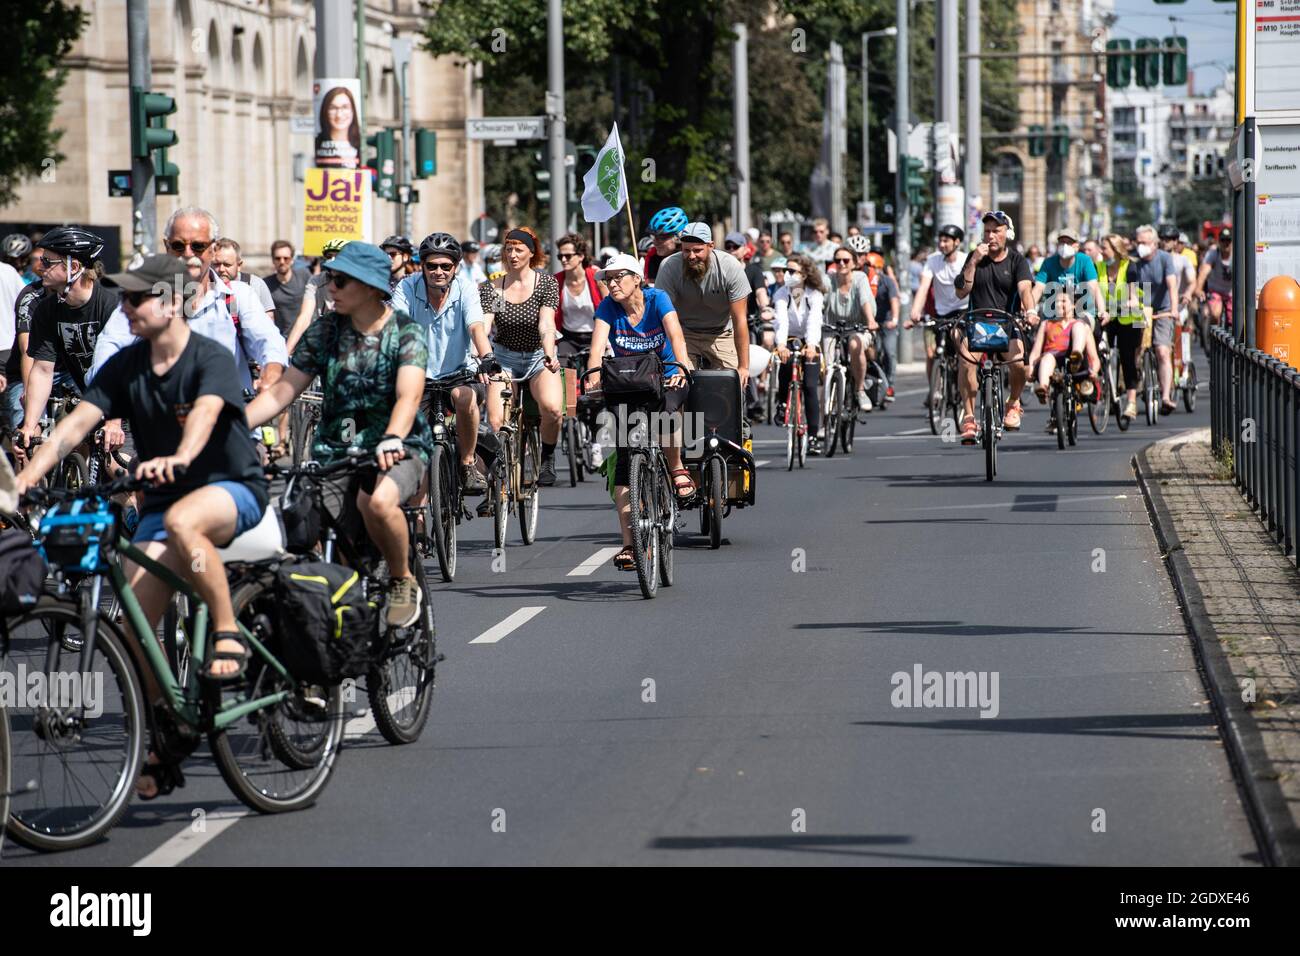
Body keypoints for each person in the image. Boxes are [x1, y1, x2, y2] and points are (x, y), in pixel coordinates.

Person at [18, 253, 269, 687]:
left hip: (229, 487)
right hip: (166, 501)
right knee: (133, 631)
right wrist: (27, 476)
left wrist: (182, 458)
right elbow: (75, 426)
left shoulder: (210, 358)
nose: (126, 307)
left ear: (172, 302)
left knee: (182, 521)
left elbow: (205, 416)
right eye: (126, 298)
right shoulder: (126, 365)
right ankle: (164, 730)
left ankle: (227, 630)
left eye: (138, 298)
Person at [247, 242, 432, 629]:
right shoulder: (326, 331)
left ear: (369, 286)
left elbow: (409, 395)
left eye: (341, 279)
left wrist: (393, 437)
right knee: (309, 532)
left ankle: (402, 578)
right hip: (335, 449)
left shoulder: (404, 331)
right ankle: (341, 641)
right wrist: (230, 427)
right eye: (330, 277)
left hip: (398, 448)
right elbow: (283, 391)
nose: (330, 286)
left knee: (378, 502)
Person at [91, 207, 287, 395]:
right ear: (167, 246)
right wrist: (107, 396)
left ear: (214, 248)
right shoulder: (145, 297)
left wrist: (271, 371)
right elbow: (111, 342)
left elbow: (267, 339)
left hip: (228, 418)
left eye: (198, 246)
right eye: (178, 246)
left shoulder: (237, 296)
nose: (187, 253)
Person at [584, 253, 693, 571]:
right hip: (626, 381)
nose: (612, 284)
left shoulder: (658, 299)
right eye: (608, 278)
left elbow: (676, 337)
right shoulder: (608, 307)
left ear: (637, 279)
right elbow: (597, 343)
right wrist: (592, 374)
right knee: (624, 464)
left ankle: (675, 467)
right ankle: (629, 545)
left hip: (665, 375)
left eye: (619, 277)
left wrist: (682, 366)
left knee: (668, 415)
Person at [391, 232, 496, 493]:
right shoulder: (406, 287)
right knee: (417, 452)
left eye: (445, 266)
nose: (438, 271)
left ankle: (468, 462)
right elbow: (399, 327)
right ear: (422, 266)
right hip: (417, 374)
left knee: (465, 398)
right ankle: (419, 524)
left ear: (456, 268)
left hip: (459, 373)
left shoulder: (466, 289)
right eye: (432, 266)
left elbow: (476, 328)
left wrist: (487, 357)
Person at [16, 226, 127, 462]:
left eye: (47, 262)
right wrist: (30, 425)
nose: (40, 267)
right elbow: (43, 369)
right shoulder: (47, 310)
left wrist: (114, 420)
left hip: (128, 406)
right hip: (92, 402)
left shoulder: (111, 305)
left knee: (118, 475)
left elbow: (123, 369)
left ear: (74, 267)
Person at [479, 226, 564, 486]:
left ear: (531, 252)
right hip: (504, 358)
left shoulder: (545, 283)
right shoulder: (496, 287)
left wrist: (549, 352)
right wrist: (481, 355)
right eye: (509, 248)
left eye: (519, 249)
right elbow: (485, 325)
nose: (513, 254)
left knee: (551, 409)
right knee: (496, 419)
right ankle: (501, 466)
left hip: (539, 356)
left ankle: (547, 457)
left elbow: (546, 323)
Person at [952, 210, 1037, 442]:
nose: (990, 236)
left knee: (1020, 363)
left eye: (996, 231)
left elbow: (1025, 289)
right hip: (977, 323)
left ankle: (1013, 402)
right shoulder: (974, 257)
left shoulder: (1017, 260)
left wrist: (1030, 311)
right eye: (987, 231)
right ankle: (969, 417)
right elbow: (961, 292)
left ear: (1007, 234)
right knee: (966, 359)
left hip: (1007, 323)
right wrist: (973, 262)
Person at [652, 222, 751, 389]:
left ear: (711, 246)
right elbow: (662, 316)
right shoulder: (669, 267)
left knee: (731, 388)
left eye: (697, 250)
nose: (691, 256)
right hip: (684, 334)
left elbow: (740, 320)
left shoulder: (730, 267)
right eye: (686, 250)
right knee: (678, 387)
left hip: (721, 333)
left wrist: (743, 367)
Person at [1026, 283, 1100, 432]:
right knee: (1047, 358)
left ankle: (1076, 355)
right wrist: (1031, 367)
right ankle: (1044, 388)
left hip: (1077, 362)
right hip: (1053, 359)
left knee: (1078, 326)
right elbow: (1036, 350)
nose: (1059, 304)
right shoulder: (1046, 324)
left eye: (1064, 301)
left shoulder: (1081, 326)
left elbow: (1094, 356)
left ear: (1073, 305)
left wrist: (1095, 370)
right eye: (1057, 301)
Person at [771, 253, 825, 452]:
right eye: (786, 270)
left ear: (803, 275)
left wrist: (811, 345)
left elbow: (814, 321)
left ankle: (812, 436)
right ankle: (782, 403)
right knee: (784, 363)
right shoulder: (781, 294)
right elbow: (781, 321)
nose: (787, 274)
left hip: (809, 340)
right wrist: (781, 345)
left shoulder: (814, 295)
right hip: (789, 338)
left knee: (810, 386)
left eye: (792, 271)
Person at [907, 224, 966, 399]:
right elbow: (923, 287)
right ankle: (937, 389)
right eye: (940, 240)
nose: (942, 244)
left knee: (957, 338)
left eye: (946, 240)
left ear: (957, 242)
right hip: (941, 313)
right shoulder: (933, 260)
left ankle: (962, 384)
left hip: (962, 310)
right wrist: (915, 312)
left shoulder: (965, 260)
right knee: (933, 353)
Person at [1132, 224, 1181, 415]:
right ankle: (1135, 384)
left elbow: (1172, 285)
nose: (1140, 246)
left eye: (1144, 242)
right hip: (1142, 308)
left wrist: (1174, 309)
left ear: (1153, 244)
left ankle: (1166, 396)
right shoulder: (1135, 262)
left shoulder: (1165, 258)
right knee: (1136, 349)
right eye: (1138, 243)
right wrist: (1135, 305)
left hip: (1163, 308)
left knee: (1162, 350)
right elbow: (1132, 287)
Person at [1096, 234, 1144, 423]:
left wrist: (1113, 311)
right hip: (1106, 317)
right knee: (1097, 349)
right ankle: (1100, 390)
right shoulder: (1098, 267)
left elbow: (1133, 300)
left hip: (1128, 317)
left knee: (1127, 357)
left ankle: (1131, 401)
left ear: (1116, 250)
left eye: (1105, 248)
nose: (1101, 251)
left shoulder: (1129, 267)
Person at [823, 245, 877, 413]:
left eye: (846, 260)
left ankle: (860, 390)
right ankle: (826, 420)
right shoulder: (828, 280)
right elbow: (819, 301)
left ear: (854, 263)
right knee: (828, 370)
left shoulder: (860, 278)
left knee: (855, 345)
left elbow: (865, 300)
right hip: (832, 328)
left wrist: (870, 321)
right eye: (837, 260)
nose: (841, 263)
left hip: (859, 326)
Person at [1032, 227, 1104, 327]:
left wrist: (1101, 311)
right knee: (1044, 330)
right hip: (1055, 314)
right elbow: (1038, 287)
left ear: (1077, 246)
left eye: (1069, 242)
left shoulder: (1085, 261)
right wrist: (1030, 310)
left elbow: (1093, 286)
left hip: (1082, 312)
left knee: (1079, 329)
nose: (1065, 245)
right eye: (1061, 242)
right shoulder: (1048, 263)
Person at [287, 237, 350, 352]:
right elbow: (305, 317)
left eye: (337, 255)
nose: (333, 259)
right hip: (321, 339)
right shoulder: (316, 281)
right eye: (329, 256)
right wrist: (286, 351)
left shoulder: (356, 283)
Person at [554, 232, 606, 359]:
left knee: (595, 373)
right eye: (560, 256)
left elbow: (610, 307)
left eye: (568, 256)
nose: (564, 260)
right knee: (564, 372)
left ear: (581, 256)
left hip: (595, 335)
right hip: (568, 337)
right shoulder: (556, 280)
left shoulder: (597, 277)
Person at [211, 238, 275, 323]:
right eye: (216, 264)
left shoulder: (255, 284)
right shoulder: (205, 287)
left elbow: (269, 322)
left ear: (239, 265)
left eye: (227, 265)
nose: (221, 269)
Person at [864, 251, 900, 401]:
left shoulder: (887, 282)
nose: (871, 271)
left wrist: (895, 319)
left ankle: (890, 385)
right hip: (869, 322)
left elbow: (894, 301)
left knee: (889, 351)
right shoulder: (862, 281)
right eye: (868, 267)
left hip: (886, 322)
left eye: (874, 267)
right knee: (872, 354)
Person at [263, 240, 311, 338]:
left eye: (286, 258)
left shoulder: (304, 276)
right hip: (279, 339)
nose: (282, 262)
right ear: (273, 260)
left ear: (292, 259)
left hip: (304, 338)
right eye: (278, 258)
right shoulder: (265, 284)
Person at [1195, 226, 1233, 331]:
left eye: (1228, 240)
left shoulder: (1237, 254)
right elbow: (1204, 272)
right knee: (1215, 313)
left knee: (1234, 319)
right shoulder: (1213, 254)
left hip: (1231, 291)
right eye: (1223, 240)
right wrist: (1198, 289)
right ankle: (1213, 335)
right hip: (1216, 289)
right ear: (1219, 242)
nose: (1226, 243)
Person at [314, 85, 361, 168]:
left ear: (353, 110)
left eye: (345, 107)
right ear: (325, 111)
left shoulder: (361, 145)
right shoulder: (317, 144)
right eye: (333, 108)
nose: (339, 115)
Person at [643, 206, 688, 286]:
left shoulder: (690, 256)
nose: (655, 242)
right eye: (653, 236)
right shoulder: (652, 255)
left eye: (661, 237)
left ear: (678, 237)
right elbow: (652, 286)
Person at [1158, 224, 1197, 312]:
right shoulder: (1151, 259)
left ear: (1175, 241)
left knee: (1175, 323)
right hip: (1151, 302)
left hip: (1173, 303)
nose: (1164, 242)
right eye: (1162, 238)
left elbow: (1192, 282)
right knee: (1143, 325)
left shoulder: (1183, 260)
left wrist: (1188, 293)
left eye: (1167, 239)